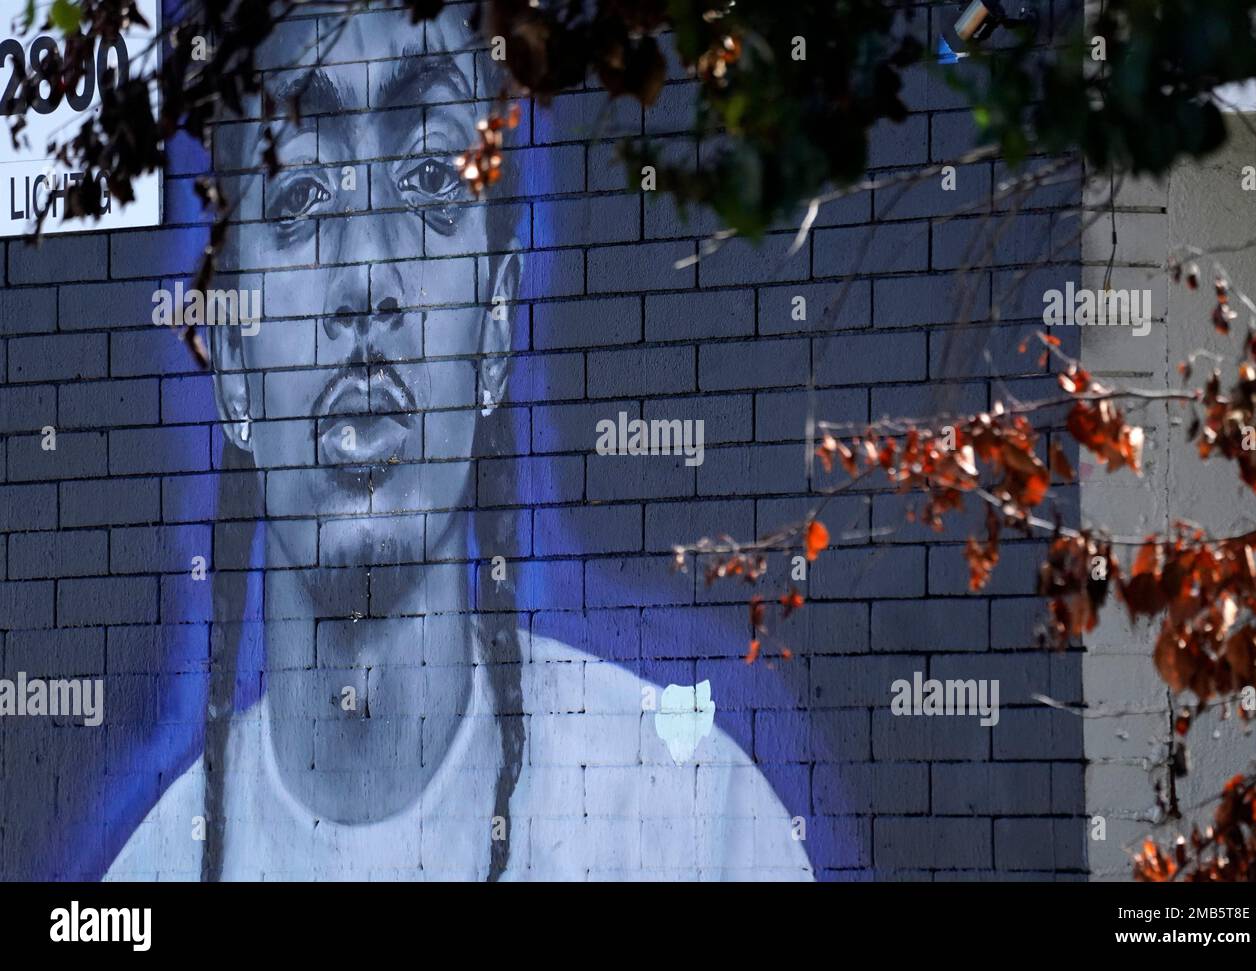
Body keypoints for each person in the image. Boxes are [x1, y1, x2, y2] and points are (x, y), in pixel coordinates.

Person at [105, 7, 812, 881]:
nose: (367, 275)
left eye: (433, 178)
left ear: (495, 325)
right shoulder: (146, 880)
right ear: (234, 367)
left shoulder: (696, 829)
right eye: (298, 192)